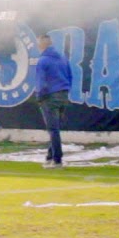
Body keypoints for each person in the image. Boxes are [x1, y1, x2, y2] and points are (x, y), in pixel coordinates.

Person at [35, 34, 72, 169]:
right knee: (55, 128)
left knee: (53, 129)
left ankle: (57, 160)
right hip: (63, 95)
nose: (38, 46)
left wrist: (39, 97)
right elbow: (70, 76)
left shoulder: (43, 60)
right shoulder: (63, 58)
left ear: (43, 44)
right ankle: (50, 157)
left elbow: (41, 82)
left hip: (49, 97)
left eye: (38, 43)